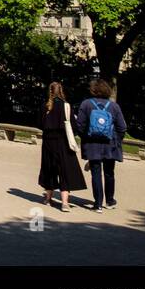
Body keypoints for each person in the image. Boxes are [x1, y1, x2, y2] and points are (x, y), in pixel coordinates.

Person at [75, 78, 127, 213]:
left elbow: (79, 125)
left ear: (92, 89)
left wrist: (86, 137)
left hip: (92, 145)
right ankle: (110, 200)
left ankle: (98, 204)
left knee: (96, 173)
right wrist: (117, 140)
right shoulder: (114, 106)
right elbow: (122, 127)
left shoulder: (86, 104)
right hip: (110, 145)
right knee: (109, 173)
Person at [37, 81, 86, 211]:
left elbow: (40, 124)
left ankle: (48, 198)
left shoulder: (45, 106)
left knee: (48, 169)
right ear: (61, 91)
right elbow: (74, 127)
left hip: (48, 141)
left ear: (50, 92)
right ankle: (65, 202)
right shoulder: (66, 106)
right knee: (64, 170)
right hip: (63, 141)